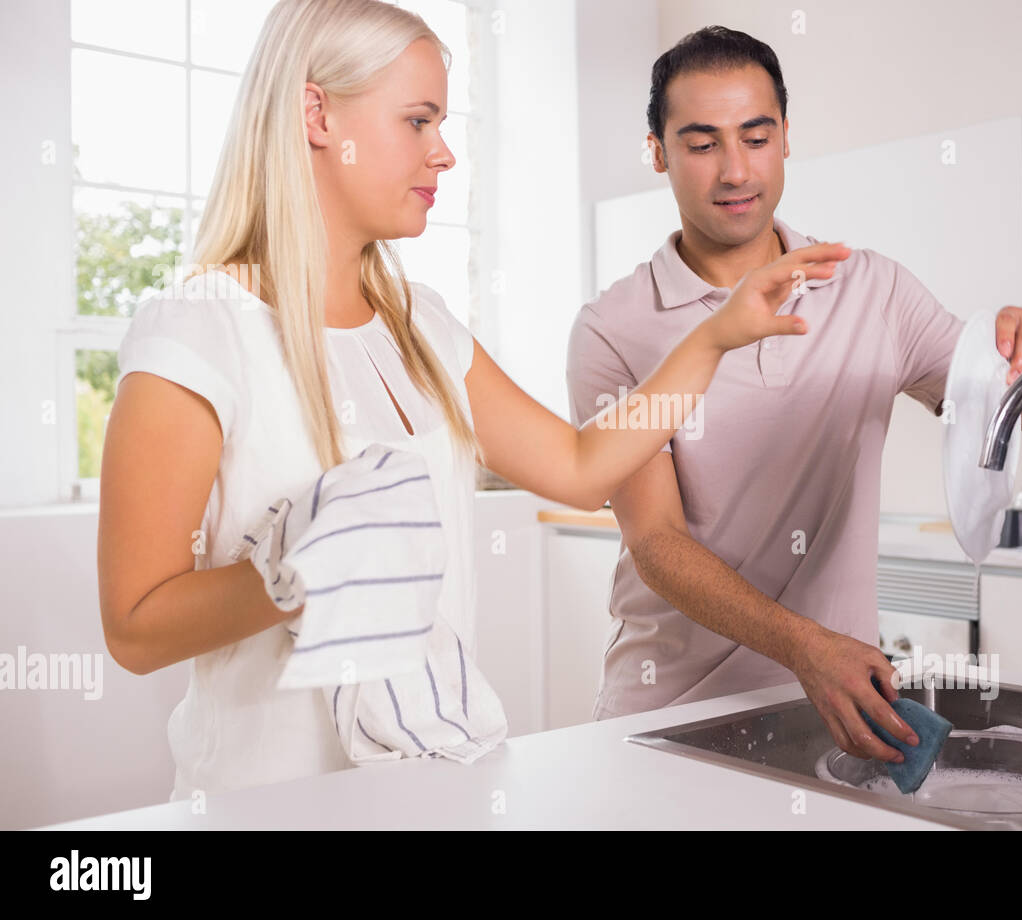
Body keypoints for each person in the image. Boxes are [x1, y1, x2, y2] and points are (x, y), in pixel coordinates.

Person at [96, 0, 849, 801]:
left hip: (428, 796)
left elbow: (581, 467)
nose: (445, 153)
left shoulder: (423, 326)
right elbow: (135, 626)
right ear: (317, 113)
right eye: (417, 122)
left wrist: (712, 339)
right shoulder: (204, 328)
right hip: (265, 809)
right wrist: (298, 576)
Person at [566, 26, 1022, 765]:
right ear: (658, 151)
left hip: (836, 710)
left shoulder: (874, 290)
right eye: (702, 143)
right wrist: (806, 647)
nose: (736, 170)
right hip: (666, 719)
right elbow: (657, 544)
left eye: (756, 137)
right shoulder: (613, 329)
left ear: (786, 139)